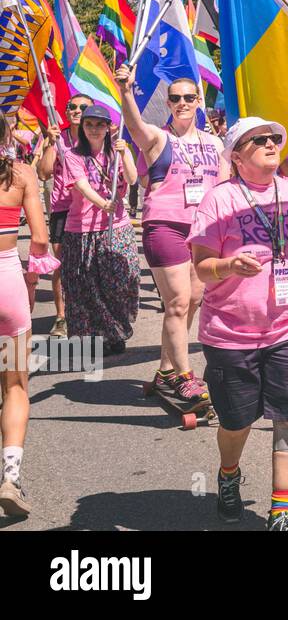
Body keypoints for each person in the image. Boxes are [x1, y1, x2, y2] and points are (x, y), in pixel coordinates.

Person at [190, 117, 288, 530]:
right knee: (237, 420)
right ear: (236, 155)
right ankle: (229, 473)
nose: (271, 144)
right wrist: (229, 265)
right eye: (259, 140)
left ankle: (280, 511)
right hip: (231, 332)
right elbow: (201, 266)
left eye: (274, 139)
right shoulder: (219, 200)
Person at [116, 66, 225, 411]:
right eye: (175, 98)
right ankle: (184, 376)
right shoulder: (160, 138)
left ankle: (166, 369)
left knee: (193, 299)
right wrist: (127, 91)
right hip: (165, 226)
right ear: (168, 103)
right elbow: (135, 127)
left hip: (203, 231)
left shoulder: (215, 143)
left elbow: (222, 189)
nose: (181, 103)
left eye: (188, 97)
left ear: (199, 102)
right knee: (177, 301)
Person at [0, 116, 57, 518]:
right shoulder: (20, 175)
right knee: (16, 386)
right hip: (5, 280)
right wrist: (29, 283)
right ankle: (10, 475)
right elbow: (39, 238)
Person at [61, 105, 139, 356]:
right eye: (89, 124)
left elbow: (134, 178)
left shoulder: (115, 152)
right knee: (86, 288)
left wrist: (125, 154)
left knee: (123, 280)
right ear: (82, 127)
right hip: (82, 229)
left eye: (100, 124)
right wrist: (102, 203)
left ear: (109, 127)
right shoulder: (73, 155)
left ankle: (117, 327)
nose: (94, 129)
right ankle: (98, 338)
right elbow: (82, 186)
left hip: (117, 226)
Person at [34, 94, 92, 340]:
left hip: (91, 209)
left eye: (83, 107)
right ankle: (61, 316)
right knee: (61, 263)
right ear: (66, 111)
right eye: (72, 106)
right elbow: (44, 173)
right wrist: (50, 143)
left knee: (90, 264)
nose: (76, 110)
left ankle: (90, 313)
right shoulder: (58, 138)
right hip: (63, 208)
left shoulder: (97, 137)